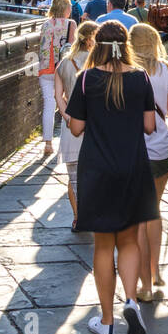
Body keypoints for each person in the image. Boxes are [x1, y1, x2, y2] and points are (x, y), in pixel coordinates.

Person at [65, 21, 158, 334]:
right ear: (125, 44)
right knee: (129, 241)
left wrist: (71, 112)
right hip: (133, 167)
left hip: (98, 171)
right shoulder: (140, 77)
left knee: (103, 246)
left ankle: (106, 321)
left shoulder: (87, 78)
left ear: (98, 45)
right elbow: (149, 126)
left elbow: (76, 128)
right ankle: (130, 300)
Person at [130, 22, 168, 300]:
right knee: (155, 211)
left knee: (139, 216)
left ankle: (144, 285)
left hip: (135, 150)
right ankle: (156, 270)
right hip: (161, 149)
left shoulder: (128, 73)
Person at [54, 20, 99, 229]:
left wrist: (67, 117)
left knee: (74, 177)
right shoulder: (98, 63)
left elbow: (58, 96)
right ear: (92, 39)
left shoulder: (64, 63)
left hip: (71, 124)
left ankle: (77, 217)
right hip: (94, 125)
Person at [37, 0, 76, 160]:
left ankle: (47, 143)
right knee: (68, 103)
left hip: (46, 69)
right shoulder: (70, 24)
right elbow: (73, 47)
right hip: (63, 69)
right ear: (66, 9)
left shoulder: (45, 24)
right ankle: (66, 143)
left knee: (48, 105)